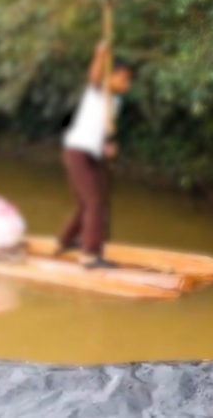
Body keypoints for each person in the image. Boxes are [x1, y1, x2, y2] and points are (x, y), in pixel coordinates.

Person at [56, 39, 133, 268]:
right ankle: (90, 255)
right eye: (124, 78)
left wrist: (108, 146)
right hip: (77, 151)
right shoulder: (97, 91)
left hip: (93, 153)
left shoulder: (115, 102)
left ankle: (66, 240)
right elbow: (94, 76)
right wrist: (100, 54)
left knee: (89, 202)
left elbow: (102, 131)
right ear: (111, 76)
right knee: (94, 201)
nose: (127, 83)